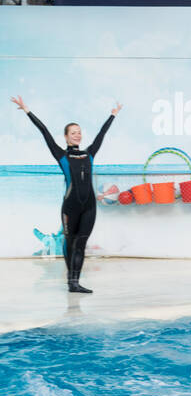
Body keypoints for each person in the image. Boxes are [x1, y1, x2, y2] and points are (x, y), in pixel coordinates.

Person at [11, 95, 121, 293]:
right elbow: (43, 131)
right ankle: (71, 279)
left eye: (79, 132)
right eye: (73, 133)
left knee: (81, 242)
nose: (77, 135)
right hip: (70, 206)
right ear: (66, 136)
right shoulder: (62, 155)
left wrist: (113, 115)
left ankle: (74, 282)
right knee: (70, 242)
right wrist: (27, 110)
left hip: (89, 206)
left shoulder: (90, 153)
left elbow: (101, 134)